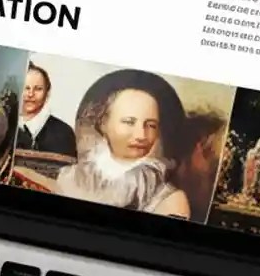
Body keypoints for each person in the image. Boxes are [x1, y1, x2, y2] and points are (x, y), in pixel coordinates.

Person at [49, 69, 192, 218]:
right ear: (103, 123)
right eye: (129, 122)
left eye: (151, 125)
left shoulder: (170, 200)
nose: (141, 135)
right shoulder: (69, 177)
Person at [15, 63, 77, 158]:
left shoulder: (64, 134)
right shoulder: (6, 128)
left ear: (47, 94)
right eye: (26, 88)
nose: (30, 94)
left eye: (38, 89)